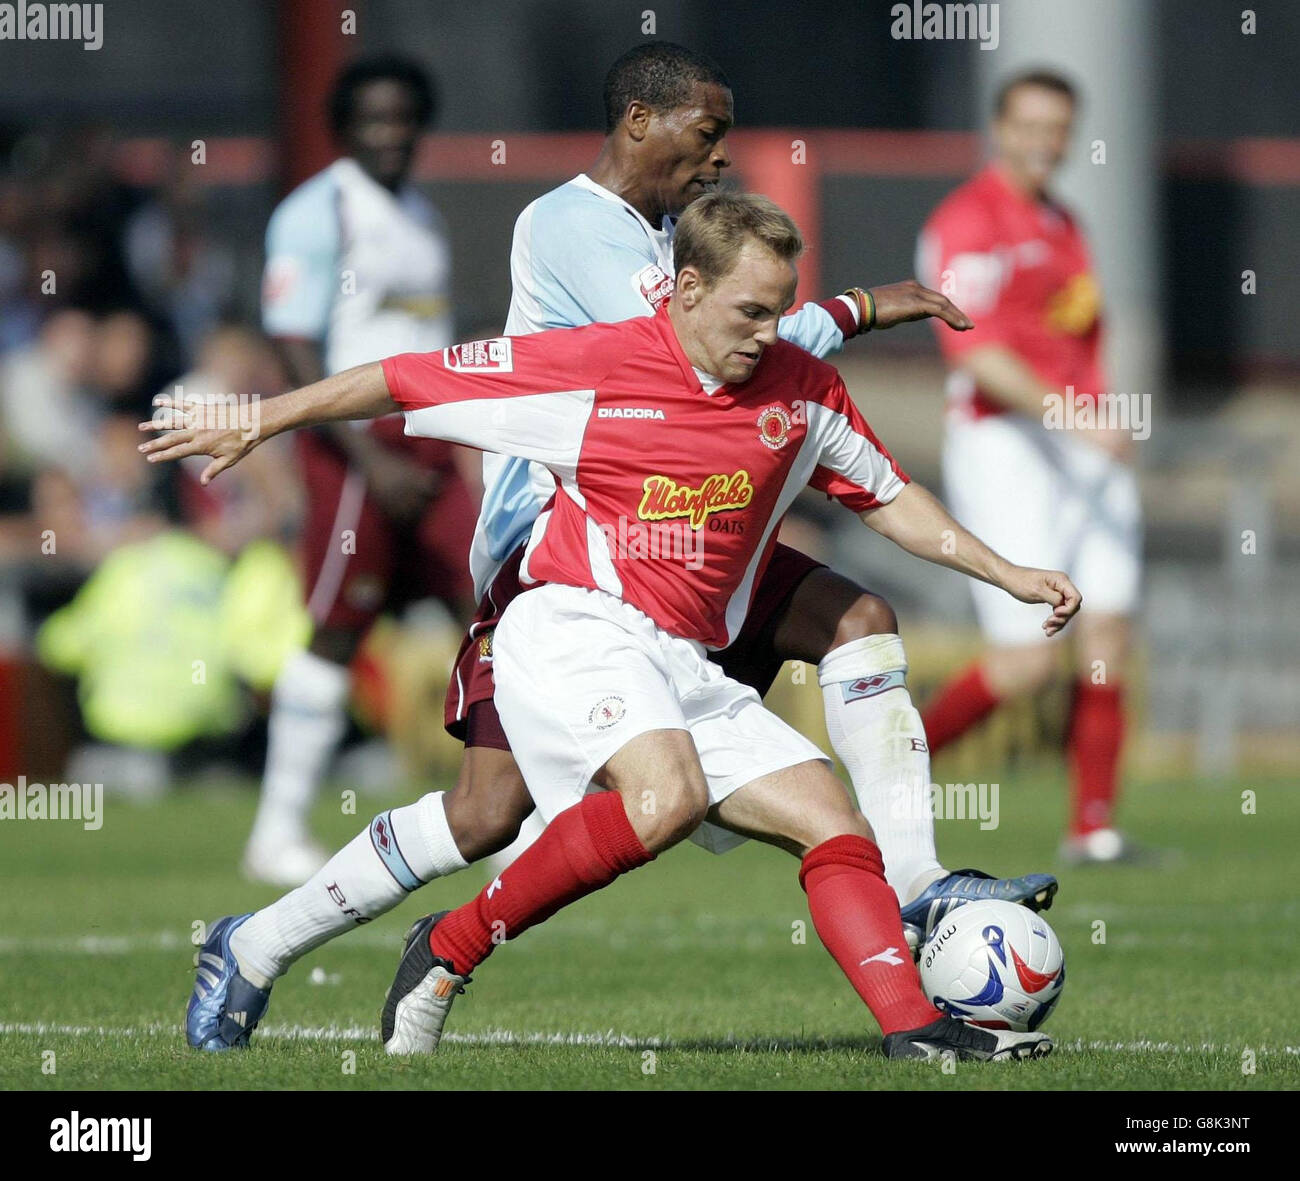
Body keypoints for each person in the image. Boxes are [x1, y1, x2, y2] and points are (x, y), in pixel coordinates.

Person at [178, 43, 1057, 1054]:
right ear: (640, 123)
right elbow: (713, 339)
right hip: (559, 550)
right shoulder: (572, 228)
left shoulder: (675, 247)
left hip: (682, 546)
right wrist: (852, 310)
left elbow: (746, 352)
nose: (719, 158)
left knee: (856, 617)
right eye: (706, 133)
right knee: (487, 811)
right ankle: (263, 940)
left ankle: (913, 886)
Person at [248, 56, 478, 886]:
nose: (390, 133)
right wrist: (369, 457)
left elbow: (438, 350)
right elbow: (292, 336)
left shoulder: (421, 216)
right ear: (343, 129)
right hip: (354, 443)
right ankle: (275, 829)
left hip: (425, 441)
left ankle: (516, 805)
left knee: (492, 608)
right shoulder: (318, 211)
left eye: (403, 117)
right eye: (372, 119)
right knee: (340, 625)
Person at [915, 70, 1143, 865]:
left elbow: (1074, 335)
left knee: (1107, 626)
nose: (1046, 140)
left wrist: (1096, 419)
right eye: (1031, 124)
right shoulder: (969, 219)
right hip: (1006, 441)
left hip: (1079, 445)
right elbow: (973, 351)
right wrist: (1073, 415)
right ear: (1000, 127)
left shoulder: (1067, 222)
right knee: (1027, 659)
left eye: (1060, 126)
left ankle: (1094, 828)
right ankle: (887, 782)